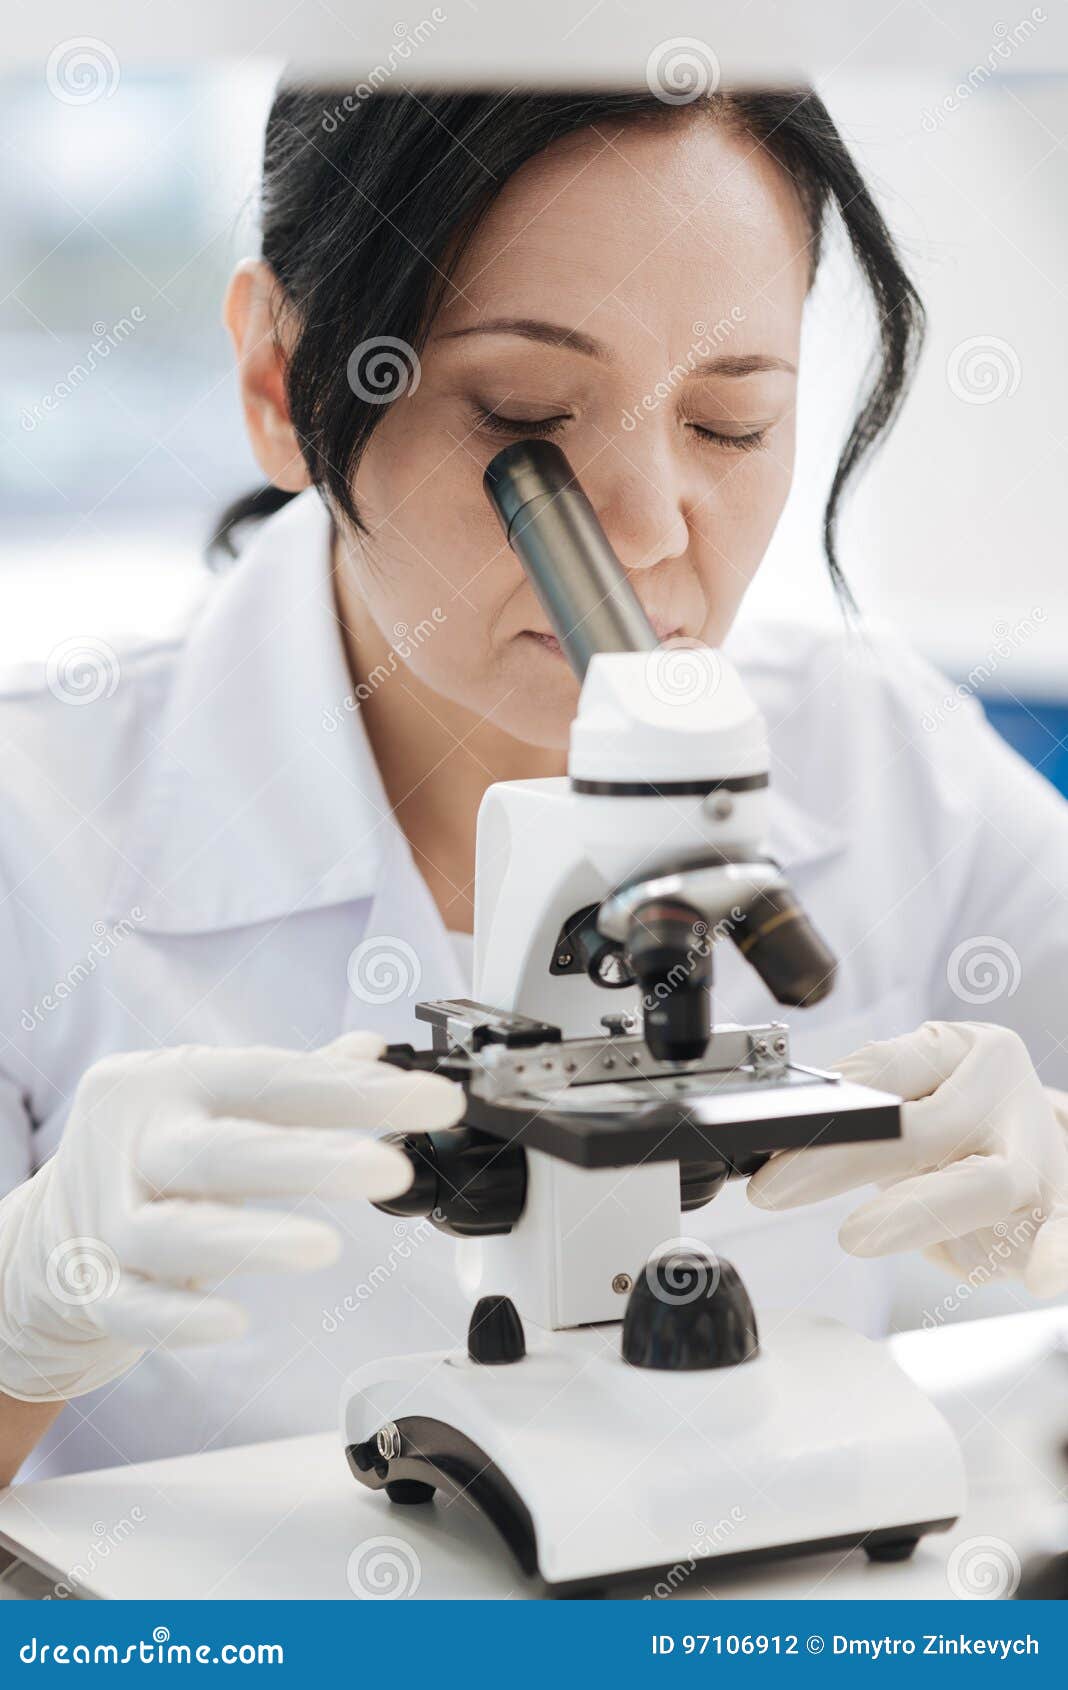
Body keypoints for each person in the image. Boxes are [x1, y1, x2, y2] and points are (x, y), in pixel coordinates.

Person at [1, 85, 1066, 1490]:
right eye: (526, 414)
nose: (648, 529)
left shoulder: (886, 754)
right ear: (280, 381)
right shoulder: (37, 826)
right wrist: (24, 1330)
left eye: (732, 421)